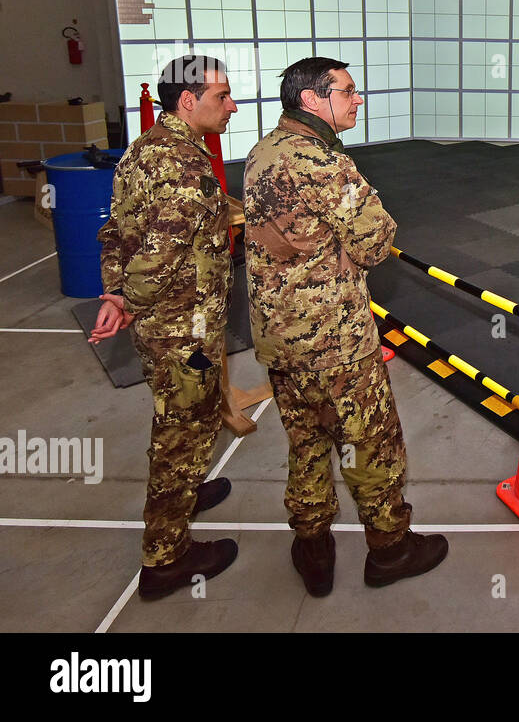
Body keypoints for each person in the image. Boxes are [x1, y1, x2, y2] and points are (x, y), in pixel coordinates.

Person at [242, 56, 446, 597]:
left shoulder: (264, 150)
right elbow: (375, 243)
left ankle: (312, 547)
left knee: (306, 440)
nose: (357, 100)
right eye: (348, 92)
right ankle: (390, 550)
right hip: (333, 341)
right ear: (312, 100)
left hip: (279, 337)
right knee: (369, 444)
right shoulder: (323, 164)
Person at [92, 54, 240, 601]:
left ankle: (185, 494)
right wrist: (131, 297)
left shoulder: (146, 150)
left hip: (163, 326)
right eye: (221, 96)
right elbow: (157, 257)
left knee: (181, 418)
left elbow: (116, 232)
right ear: (187, 101)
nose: (231, 106)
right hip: (182, 331)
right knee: (183, 431)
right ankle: (165, 559)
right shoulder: (180, 166)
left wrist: (114, 292)